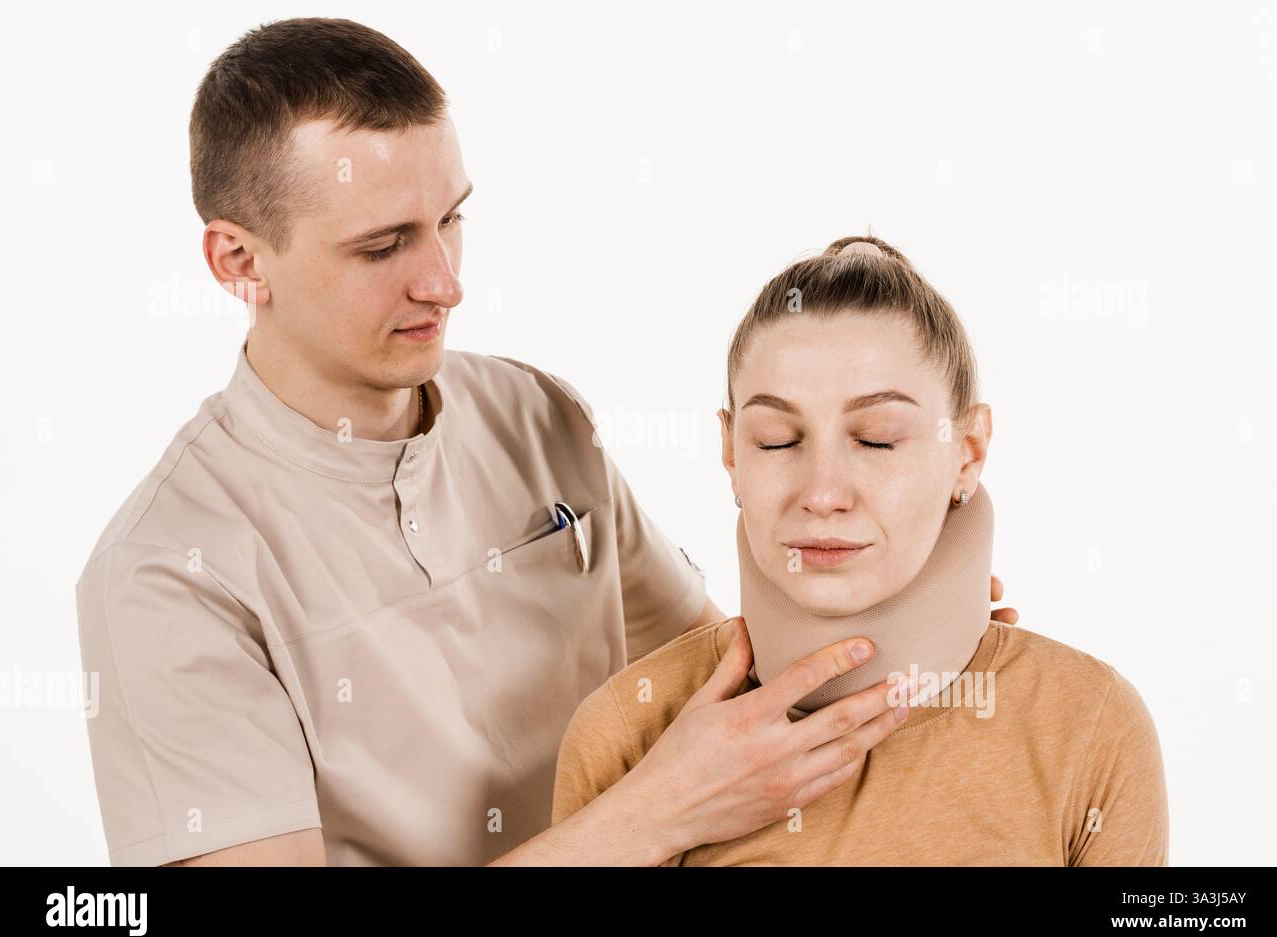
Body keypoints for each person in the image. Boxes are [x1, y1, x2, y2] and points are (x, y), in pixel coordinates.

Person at [75, 19, 1019, 867]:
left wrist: (902, 637)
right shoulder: (167, 579)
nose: (444, 283)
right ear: (239, 262)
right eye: (382, 247)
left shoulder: (535, 413)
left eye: (452, 220)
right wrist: (656, 816)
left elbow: (713, 668)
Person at [552, 235, 1168, 865]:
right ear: (731, 452)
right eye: (776, 440)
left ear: (969, 452)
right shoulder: (629, 737)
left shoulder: (1089, 727)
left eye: (876, 441)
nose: (822, 494)